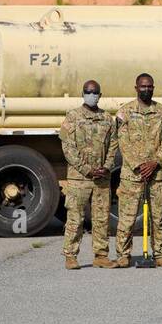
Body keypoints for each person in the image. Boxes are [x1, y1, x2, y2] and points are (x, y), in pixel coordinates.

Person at [60, 80, 115, 269]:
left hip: (101, 178)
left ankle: (101, 255)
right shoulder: (72, 117)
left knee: (102, 218)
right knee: (75, 218)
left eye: (95, 92)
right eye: (88, 92)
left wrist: (106, 167)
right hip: (79, 178)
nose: (91, 95)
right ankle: (70, 255)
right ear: (83, 94)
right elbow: (68, 148)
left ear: (100, 95)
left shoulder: (107, 118)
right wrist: (87, 169)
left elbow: (113, 146)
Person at [113, 72, 162, 268]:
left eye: (150, 86)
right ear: (136, 88)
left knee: (159, 218)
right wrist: (139, 165)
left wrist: (155, 162)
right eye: (143, 87)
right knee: (126, 218)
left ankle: (160, 253)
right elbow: (123, 142)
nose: (147, 90)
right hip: (132, 175)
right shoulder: (124, 112)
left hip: (157, 175)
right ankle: (123, 254)